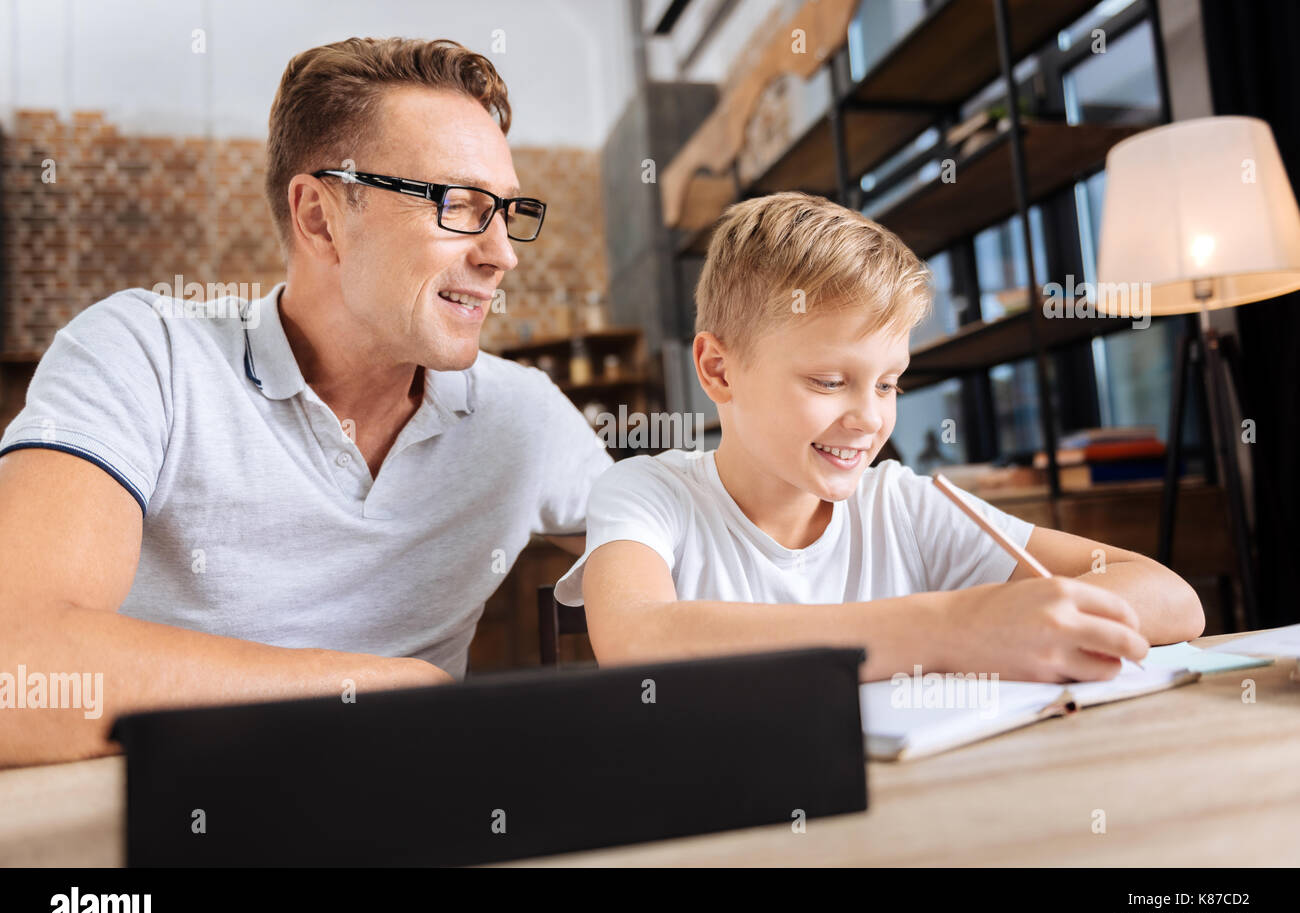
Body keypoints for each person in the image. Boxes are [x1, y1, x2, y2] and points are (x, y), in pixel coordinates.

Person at [0, 38, 611, 767]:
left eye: (507, 211)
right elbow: (18, 668)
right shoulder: (144, 353)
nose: (502, 253)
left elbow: (700, 567)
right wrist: (383, 689)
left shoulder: (523, 415)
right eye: (459, 205)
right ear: (320, 218)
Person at [556, 192, 1205, 683]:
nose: (869, 418)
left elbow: (1173, 600)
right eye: (830, 380)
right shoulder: (647, 493)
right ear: (718, 370)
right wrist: (953, 627)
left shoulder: (902, 505)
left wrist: (1039, 613)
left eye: (889, 384)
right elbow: (637, 636)